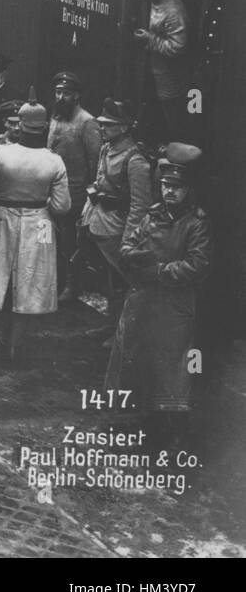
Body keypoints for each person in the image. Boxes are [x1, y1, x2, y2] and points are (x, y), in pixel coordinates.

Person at [103, 143, 211, 444]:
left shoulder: (196, 224)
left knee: (173, 367)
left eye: (177, 188)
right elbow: (130, 244)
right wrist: (130, 256)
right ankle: (136, 419)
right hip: (144, 299)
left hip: (174, 305)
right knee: (136, 357)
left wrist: (160, 271)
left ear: (189, 190)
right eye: (165, 185)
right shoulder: (152, 215)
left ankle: (175, 431)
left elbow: (197, 266)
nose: (170, 192)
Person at [0, 103, 72, 364]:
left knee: (4, 276)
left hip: (4, 218)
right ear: (43, 127)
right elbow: (62, 206)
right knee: (29, 280)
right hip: (39, 222)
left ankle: (3, 336)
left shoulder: (0, 154)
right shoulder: (53, 160)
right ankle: (17, 344)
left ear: (19, 125)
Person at [76, 98, 152, 332]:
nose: (103, 128)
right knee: (109, 281)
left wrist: (129, 241)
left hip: (117, 229)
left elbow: (140, 206)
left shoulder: (135, 160)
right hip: (97, 220)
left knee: (122, 283)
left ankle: (124, 333)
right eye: (103, 124)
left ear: (124, 127)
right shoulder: (106, 148)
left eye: (109, 124)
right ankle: (111, 326)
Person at [47, 71, 101, 302]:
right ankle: (55, 281)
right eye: (58, 92)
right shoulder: (56, 117)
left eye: (66, 93)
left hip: (75, 194)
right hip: (52, 191)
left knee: (71, 243)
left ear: (76, 96)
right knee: (52, 238)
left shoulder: (87, 122)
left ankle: (72, 285)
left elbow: (95, 162)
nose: (61, 97)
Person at [131, 0, 190, 143]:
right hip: (155, 72)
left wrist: (150, 39)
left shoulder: (173, 11)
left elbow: (177, 47)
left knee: (174, 120)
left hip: (170, 78)